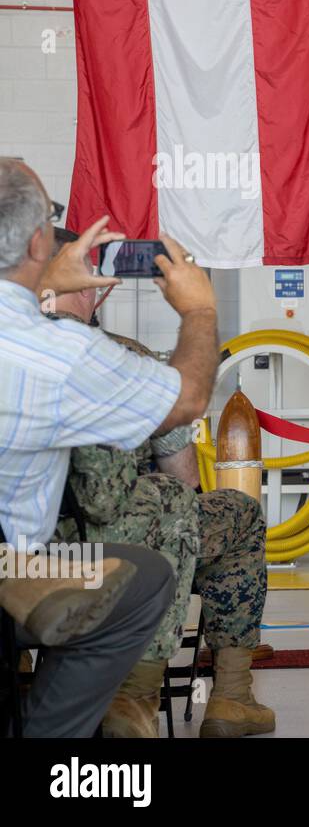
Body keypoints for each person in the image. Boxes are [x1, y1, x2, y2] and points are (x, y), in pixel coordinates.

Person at [0, 158, 215, 735]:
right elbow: (188, 398)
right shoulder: (63, 355)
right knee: (144, 577)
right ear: (40, 240)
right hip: (10, 565)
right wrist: (199, 308)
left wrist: (41, 282)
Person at [44, 229, 273, 738]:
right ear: (95, 286)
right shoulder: (128, 360)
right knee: (231, 514)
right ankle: (229, 698)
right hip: (120, 553)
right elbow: (184, 480)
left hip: (26, 556)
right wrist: (199, 313)